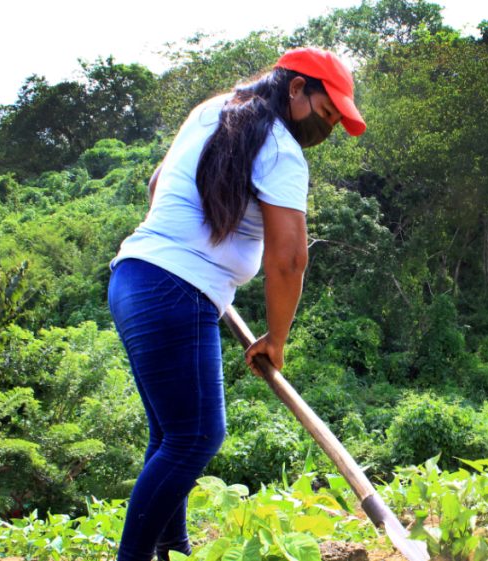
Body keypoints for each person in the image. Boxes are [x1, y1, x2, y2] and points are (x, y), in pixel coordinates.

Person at [107, 47, 365, 561]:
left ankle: (172, 551)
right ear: (296, 89)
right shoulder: (281, 149)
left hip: (135, 279)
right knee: (198, 436)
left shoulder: (213, 111)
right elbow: (288, 260)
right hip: (175, 291)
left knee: (170, 436)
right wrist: (277, 340)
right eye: (326, 112)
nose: (328, 127)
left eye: (337, 120)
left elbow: (157, 183)